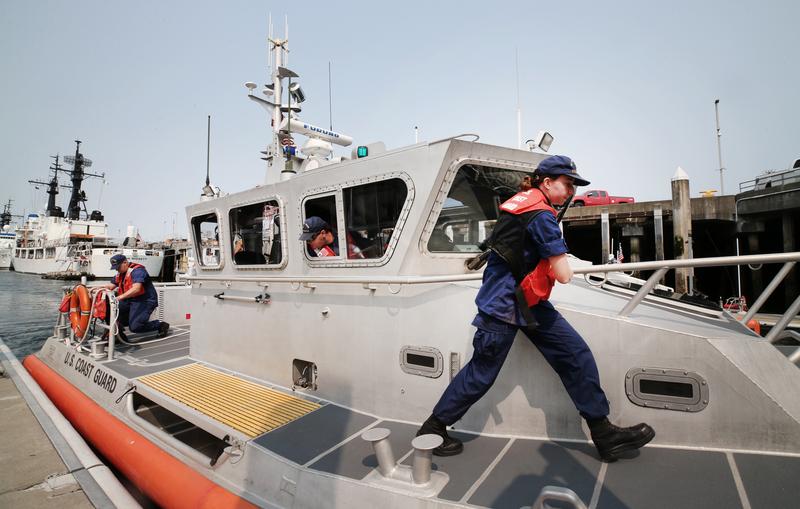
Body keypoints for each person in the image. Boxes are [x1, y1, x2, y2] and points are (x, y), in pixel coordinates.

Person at [417, 155, 655, 462]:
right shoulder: (541, 215)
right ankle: (431, 428)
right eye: (567, 184)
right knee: (482, 373)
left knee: (574, 354)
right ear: (546, 182)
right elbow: (565, 275)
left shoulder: (524, 204)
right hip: (503, 306)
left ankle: (603, 434)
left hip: (525, 302)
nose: (571, 191)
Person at [94, 254, 170, 340]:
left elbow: (136, 289)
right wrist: (95, 289)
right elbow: (110, 286)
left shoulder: (138, 271)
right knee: (109, 308)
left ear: (125, 263)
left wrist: (118, 298)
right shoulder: (121, 273)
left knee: (135, 327)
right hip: (130, 300)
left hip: (144, 301)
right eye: (115, 267)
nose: (116, 269)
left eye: (118, 267)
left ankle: (161, 325)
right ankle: (119, 334)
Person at [299, 216, 366, 259]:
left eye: (310, 239)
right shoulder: (310, 251)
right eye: (306, 240)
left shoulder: (345, 239)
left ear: (323, 233)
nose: (309, 243)